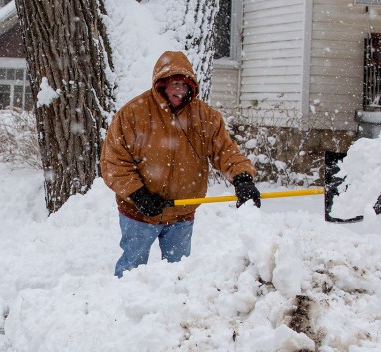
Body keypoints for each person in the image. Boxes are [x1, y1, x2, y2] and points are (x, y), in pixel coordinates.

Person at [101, 51, 261, 278]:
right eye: (174, 84)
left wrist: (242, 178)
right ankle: (122, 308)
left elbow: (225, 151)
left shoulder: (205, 117)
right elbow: (114, 161)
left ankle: (173, 312)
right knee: (131, 270)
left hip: (181, 213)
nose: (179, 90)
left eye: (184, 85)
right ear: (161, 85)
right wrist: (138, 195)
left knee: (178, 275)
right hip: (138, 213)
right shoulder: (133, 114)